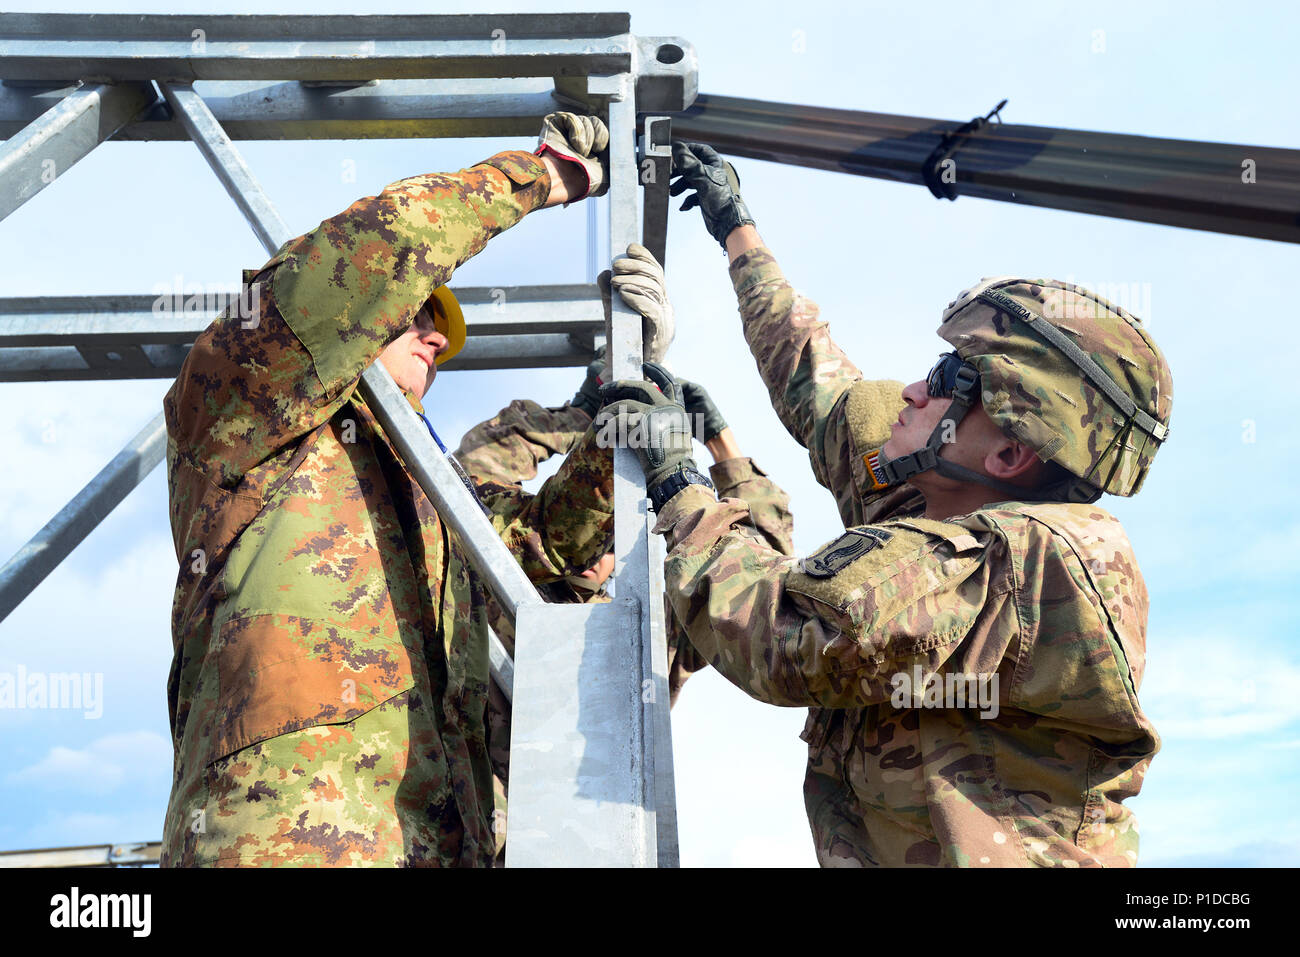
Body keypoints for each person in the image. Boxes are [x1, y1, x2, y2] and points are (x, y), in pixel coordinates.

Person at [595, 140, 1173, 867]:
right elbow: (820, 382)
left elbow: (777, 632)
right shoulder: (933, 490)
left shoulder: (1023, 562)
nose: (913, 391)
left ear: (1009, 456)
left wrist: (682, 483)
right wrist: (735, 227)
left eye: (947, 380)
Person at [159, 113, 616, 868]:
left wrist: (618, 421)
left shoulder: (426, 498)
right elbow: (385, 242)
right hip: (289, 841)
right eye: (419, 315)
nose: (438, 340)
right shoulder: (245, 396)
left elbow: (539, 552)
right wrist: (540, 175)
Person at [454, 251, 795, 861]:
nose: (595, 557)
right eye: (594, 536)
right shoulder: (520, 586)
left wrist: (720, 445)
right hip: (488, 831)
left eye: (613, 547)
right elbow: (479, 475)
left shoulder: (657, 623)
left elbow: (761, 579)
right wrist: (591, 407)